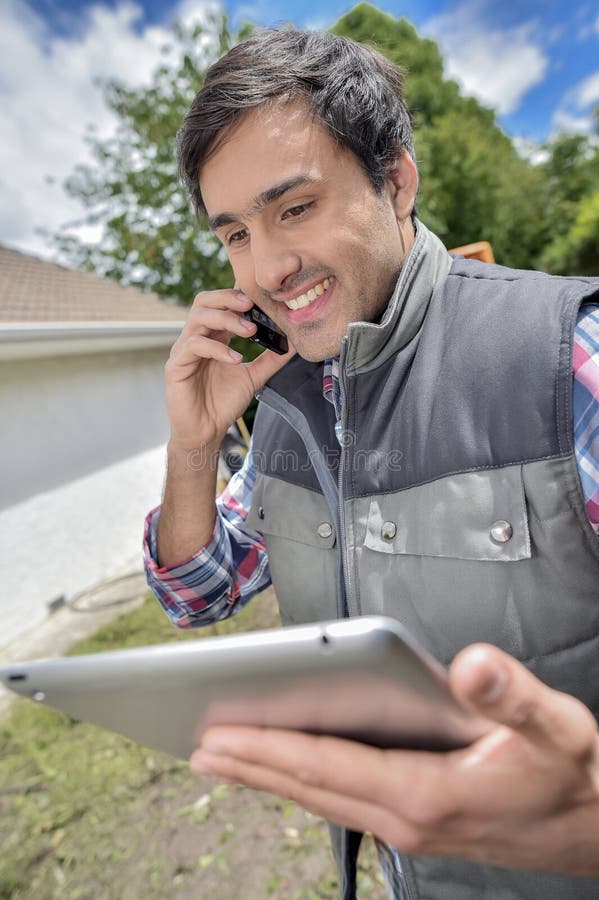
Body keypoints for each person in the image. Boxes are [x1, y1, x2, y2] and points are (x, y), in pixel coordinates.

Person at [143, 27, 599, 900]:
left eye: (295, 208)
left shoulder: (565, 361)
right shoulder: (277, 401)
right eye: (235, 233)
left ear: (395, 180)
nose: (268, 268)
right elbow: (194, 593)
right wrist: (194, 443)